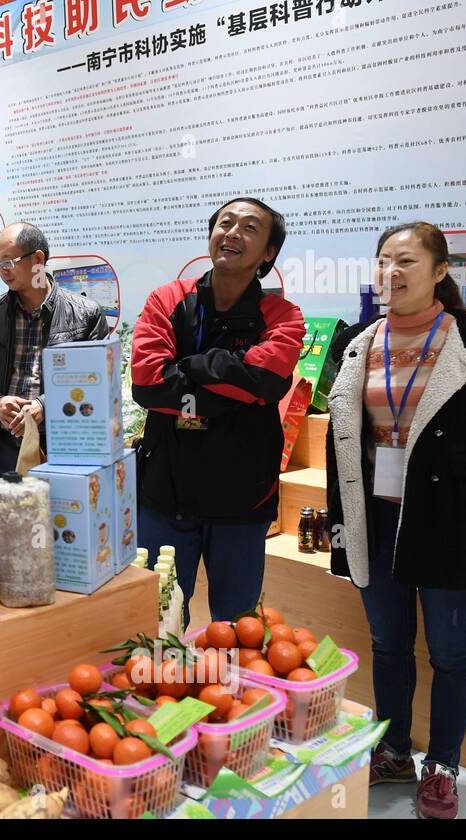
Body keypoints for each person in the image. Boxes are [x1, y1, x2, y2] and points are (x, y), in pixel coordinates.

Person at [325, 221, 466, 819]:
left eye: (406, 261)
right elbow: (343, 447)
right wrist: (340, 530)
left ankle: (444, 764)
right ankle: (394, 751)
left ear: (439, 272)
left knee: (453, 654)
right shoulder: (357, 342)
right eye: (383, 261)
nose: (392, 273)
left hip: (448, 524)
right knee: (388, 644)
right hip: (377, 523)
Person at [131, 198, 304, 625]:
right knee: (161, 622)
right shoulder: (167, 299)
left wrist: (189, 366)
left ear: (268, 253)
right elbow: (149, 383)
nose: (232, 232)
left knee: (237, 629)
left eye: (249, 227)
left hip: (243, 499)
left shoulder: (283, 315)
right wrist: (235, 379)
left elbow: (267, 380)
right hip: (165, 495)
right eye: (225, 223)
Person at [0, 222, 111, 510]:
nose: (2, 270)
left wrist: (44, 406)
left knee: (54, 541)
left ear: (38, 259)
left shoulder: (86, 315)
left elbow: (96, 384)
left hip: (57, 450)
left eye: (9, 262)